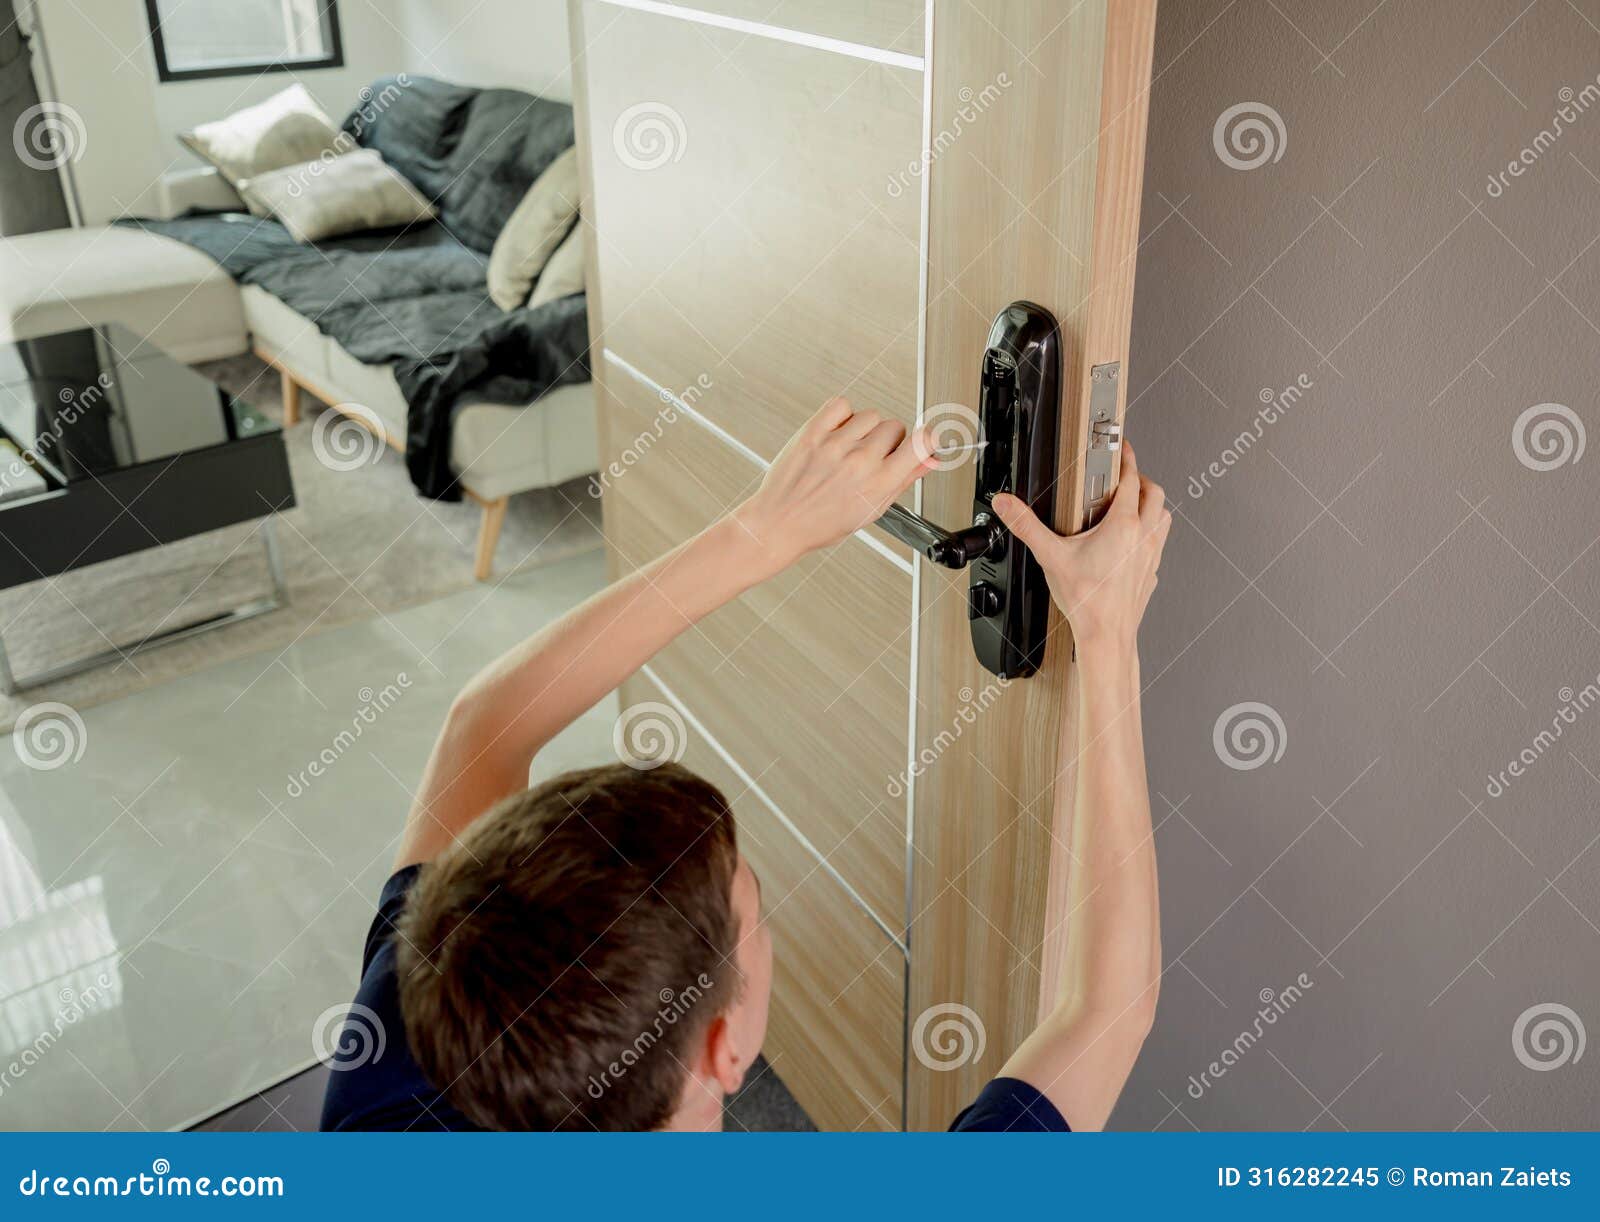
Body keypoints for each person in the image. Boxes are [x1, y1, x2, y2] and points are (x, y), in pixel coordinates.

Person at [319, 397, 1169, 1132]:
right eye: (753, 909)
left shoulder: (409, 1066)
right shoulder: (418, 1026)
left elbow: (487, 726)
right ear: (725, 1049)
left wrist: (765, 529)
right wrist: (1105, 634)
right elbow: (1109, 1009)